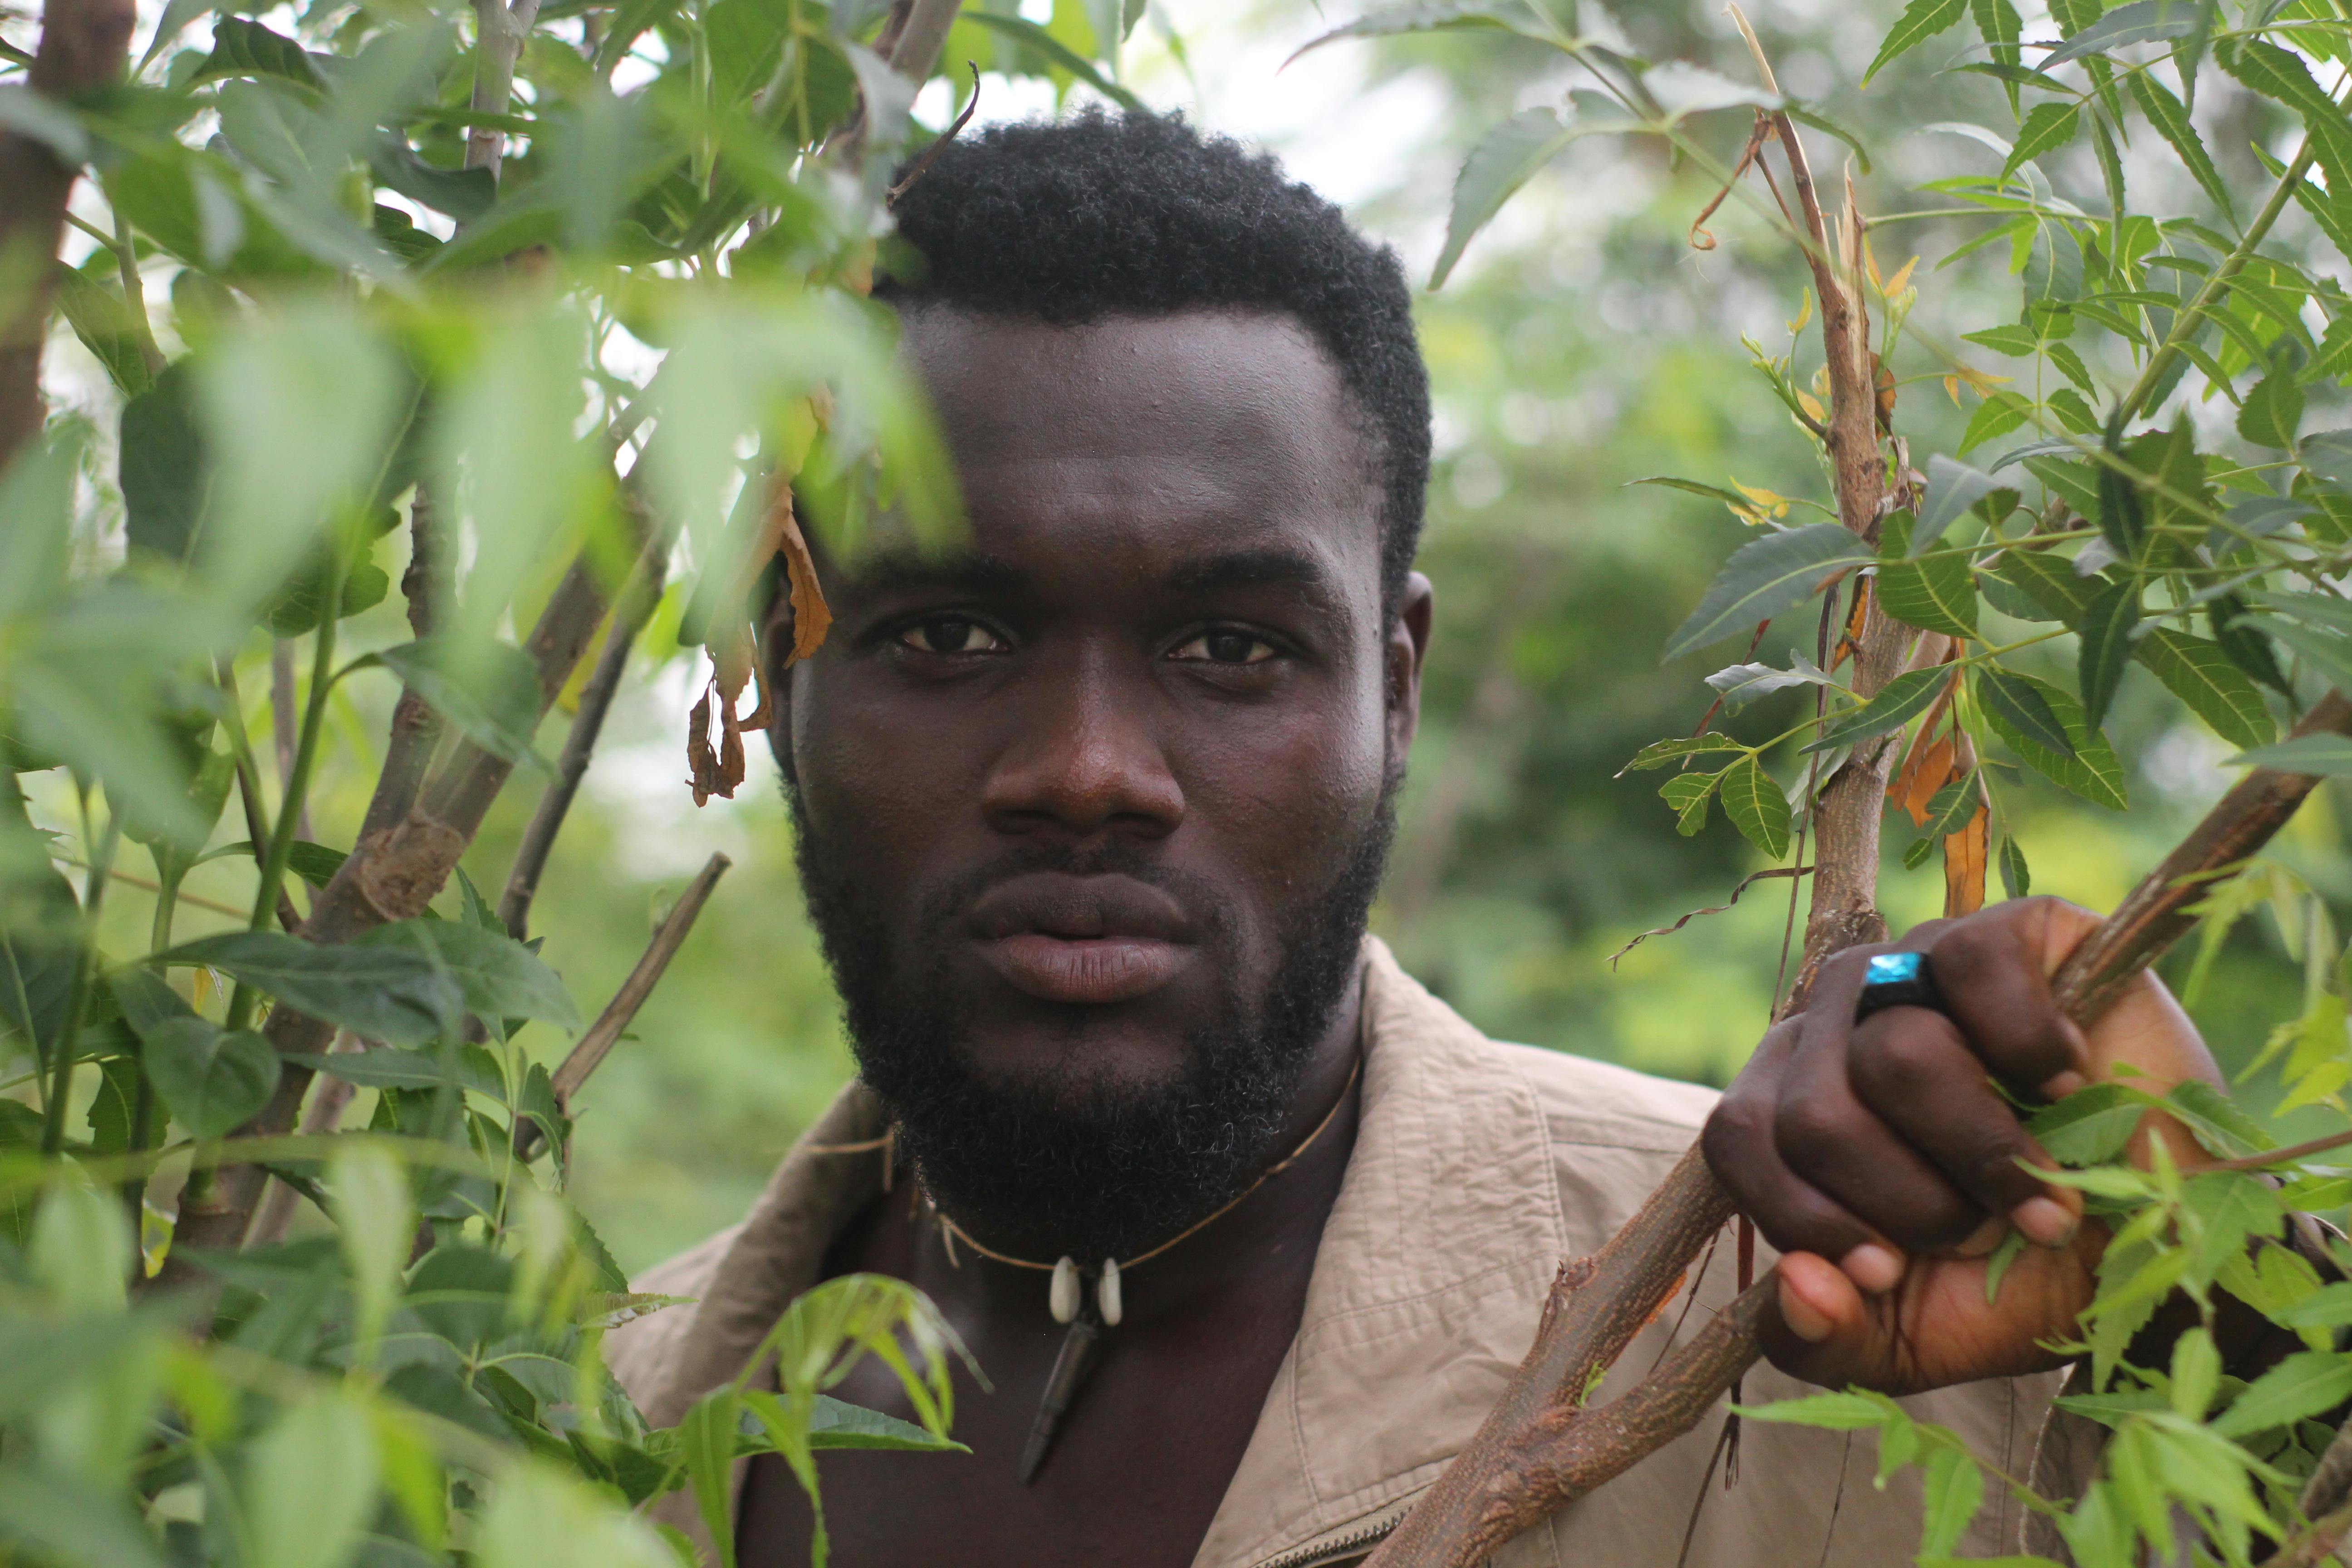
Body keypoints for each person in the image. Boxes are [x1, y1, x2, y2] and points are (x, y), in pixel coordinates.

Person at [604, 111, 2280, 1567]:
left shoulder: (1835, 1327)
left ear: (1393, 689)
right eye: (950, 636)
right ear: (773, 668)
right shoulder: (579, 1418)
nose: (1088, 771)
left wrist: (2226, 1295)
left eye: (1232, 649)